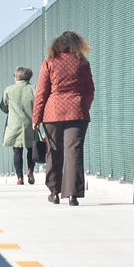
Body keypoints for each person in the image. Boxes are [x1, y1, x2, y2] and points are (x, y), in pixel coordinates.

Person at [33, 31, 95, 206]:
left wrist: (36, 117)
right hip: (77, 111)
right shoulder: (82, 63)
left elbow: (42, 93)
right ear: (77, 45)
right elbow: (90, 91)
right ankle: (73, 195)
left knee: (53, 151)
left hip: (53, 112)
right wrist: (83, 106)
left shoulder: (50, 63)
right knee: (73, 152)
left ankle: (54, 191)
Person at [0, 67, 37, 185]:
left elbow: (3, 107)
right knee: (31, 149)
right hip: (30, 123)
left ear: (16, 76)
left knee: (17, 151)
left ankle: (19, 177)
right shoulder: (33, 89)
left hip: (14, 124)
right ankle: (30, 170)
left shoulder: (9, 90)